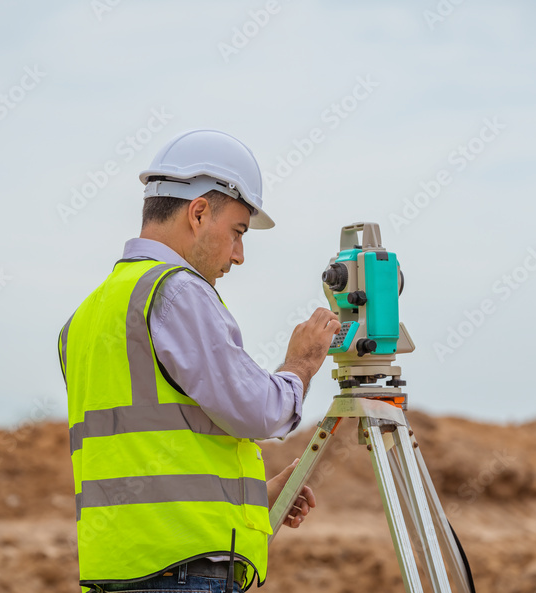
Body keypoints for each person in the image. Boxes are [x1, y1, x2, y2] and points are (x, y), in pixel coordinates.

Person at [57, 129, 339, 592]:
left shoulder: (85, 317)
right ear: (199, 212)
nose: (239, 255)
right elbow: (259, 412)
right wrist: (301, 365)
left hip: (116, 573)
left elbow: (145, 458)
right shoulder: (176, 291)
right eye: (238, 232)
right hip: (182, 575)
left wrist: (253, 499)